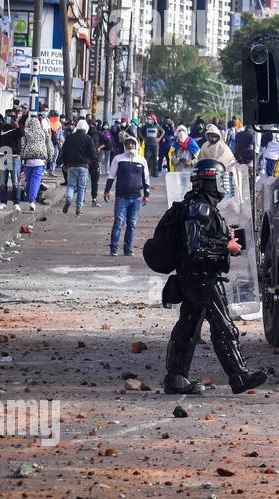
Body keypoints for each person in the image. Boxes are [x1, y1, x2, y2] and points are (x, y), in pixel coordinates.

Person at [154, 159, 268, 395]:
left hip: (194, 277)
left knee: (187, 328)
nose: (223, 185)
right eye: (220, 179)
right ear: (210, 181)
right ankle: (239, 376)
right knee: (224, 328)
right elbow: (196, 249)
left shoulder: (196, 206)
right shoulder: (199, 208)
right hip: (202, 278)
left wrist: (226, 239)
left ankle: (175, 378)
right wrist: (228, 247)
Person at [105, 134, 150, 256]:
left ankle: (128, 249)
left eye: (132, 143)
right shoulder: (118, 159)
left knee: (132, 224)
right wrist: (107, 190)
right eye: (127, 144)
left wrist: (146, 194)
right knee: (118, 223)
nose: (130, 145)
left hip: (136, 197)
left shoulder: (142, 160)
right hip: (121, 197)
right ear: (124, 146)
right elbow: (111, 175)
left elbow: (146, 179)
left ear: (136, 145)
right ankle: (114, 248)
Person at [59, 119, 97, 217]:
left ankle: (69, 197)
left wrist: (65, 164)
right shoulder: (89, 139)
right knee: (81, 187)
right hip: (84, 166)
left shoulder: (70, 138)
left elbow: (64, 152)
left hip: (71, 165)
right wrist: (91, 161)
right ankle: (79, 208)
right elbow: (93, 154)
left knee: (71, 185)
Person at [19, 111, 51, 213]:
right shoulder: (43, 132)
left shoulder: (25, 131)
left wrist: (21, 156)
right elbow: (49, 145)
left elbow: (22, 144)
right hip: (40, 160)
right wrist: (49, 157)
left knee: (28, 180)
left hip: (28, 160)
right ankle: (32, 201)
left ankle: (29, 196)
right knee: (36, 181)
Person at [0, 108, 24, 210]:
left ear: (15, 117)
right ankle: (3, 202)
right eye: (8, 116)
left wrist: (17, 126)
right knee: (3, 182)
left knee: (16, 182)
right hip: (3, 156)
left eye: (12, 117)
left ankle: (16, 203)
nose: (10, 119)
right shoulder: (2, 128)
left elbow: (22, 133)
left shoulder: (18, 127)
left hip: (15, 157)